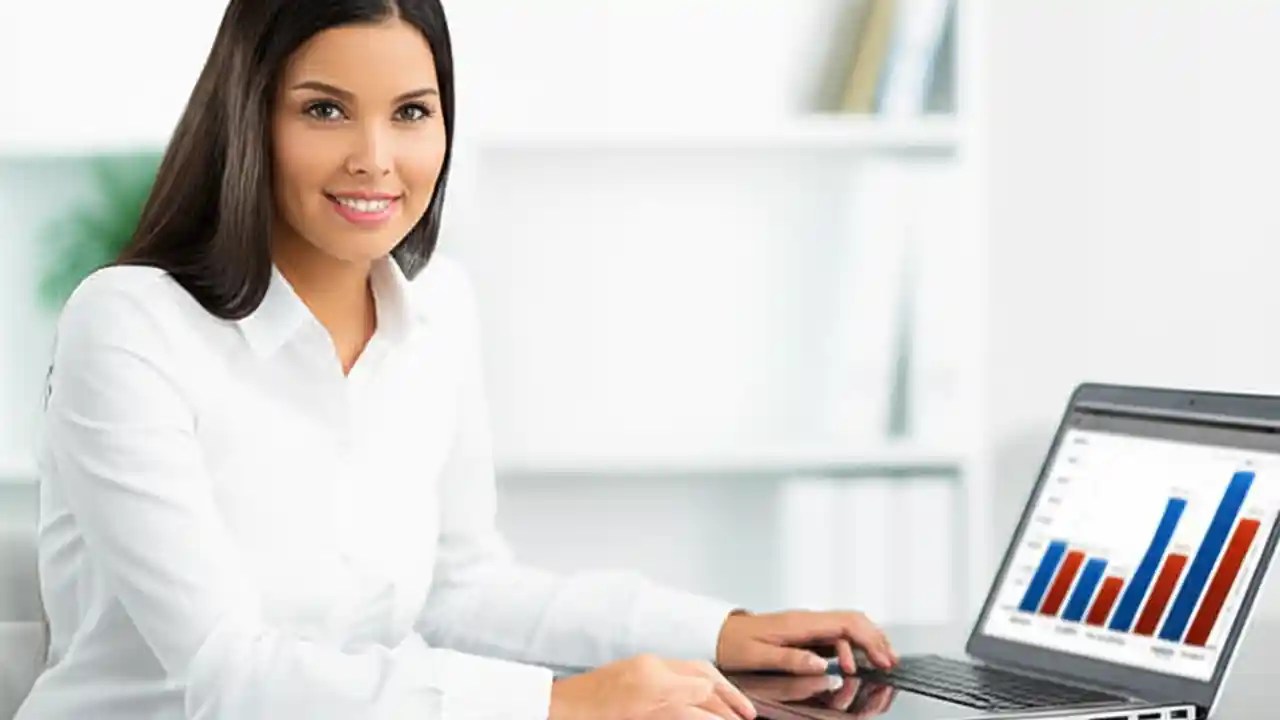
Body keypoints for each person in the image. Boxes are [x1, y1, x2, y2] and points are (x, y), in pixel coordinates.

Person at [16, 1, 897, 718]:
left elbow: (460, 590)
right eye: (325, 109)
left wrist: (718, 632)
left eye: (411, 113)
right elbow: (229, 675)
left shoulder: (438, 308)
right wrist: (561, 703)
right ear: (249, 119)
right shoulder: (130, 324)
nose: (376, 159)